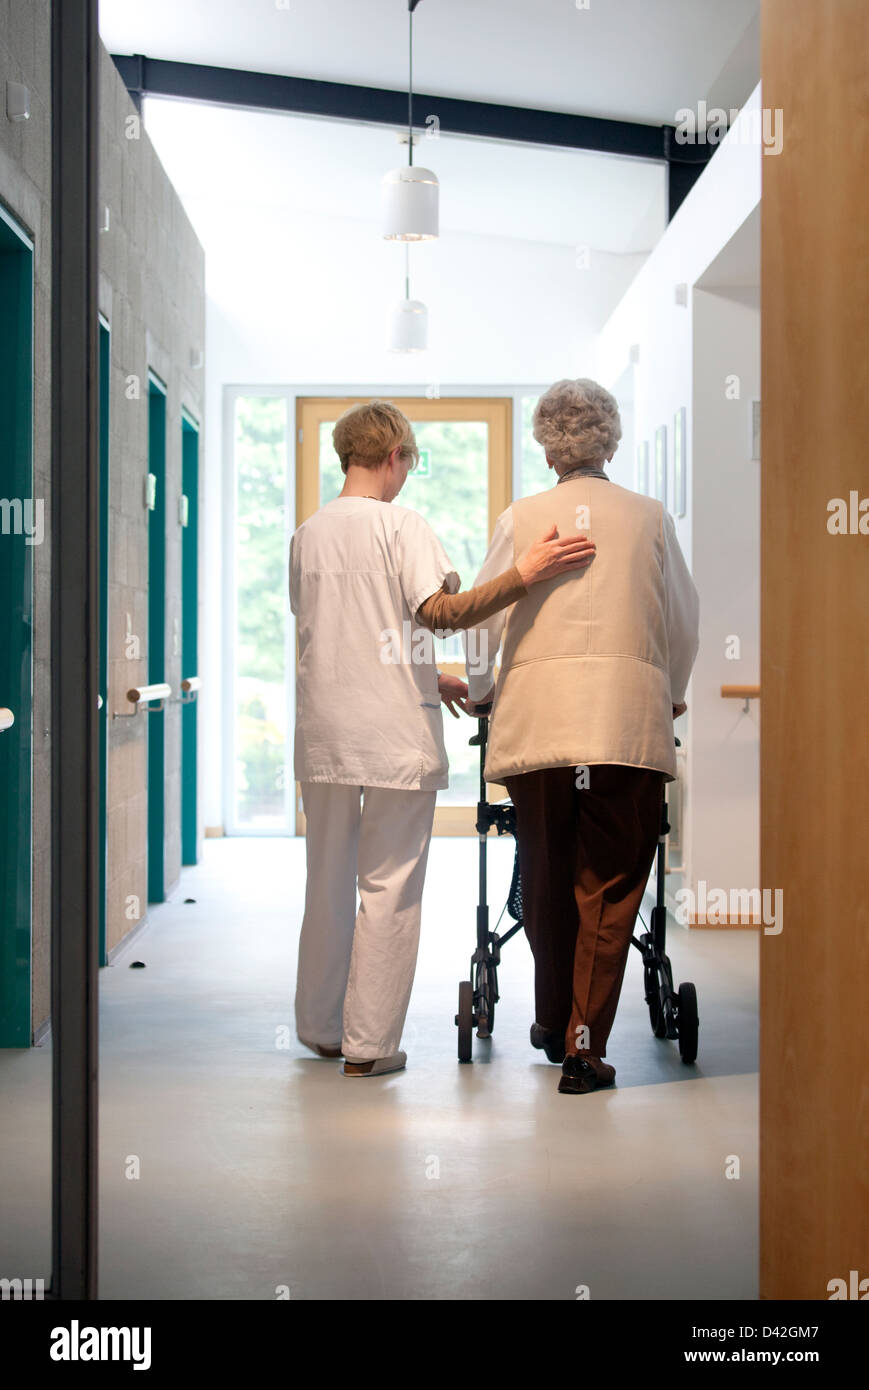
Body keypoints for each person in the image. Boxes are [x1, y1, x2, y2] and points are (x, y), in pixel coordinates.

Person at [289, 399, 596, 1078]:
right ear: (395, 456)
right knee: (388, 887)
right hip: (391, 737)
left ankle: (318, 1028)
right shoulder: (401, 525)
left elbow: (341, 635)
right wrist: (524, 574)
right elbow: (442, 614)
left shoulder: (307, 533)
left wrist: (432, 680)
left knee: (327, 882)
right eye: (409, 462)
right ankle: (369, 1045)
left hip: (324, 735)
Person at [464, 378, 699, 1095]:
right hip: (624, 726)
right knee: (610, 881)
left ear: (545, 445)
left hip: (541, 726)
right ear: (612, 439)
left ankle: (547, 1019)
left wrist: (480, 693)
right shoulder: (649, 517)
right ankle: (582, 1048)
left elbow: (484, 617)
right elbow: (682, 621)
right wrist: (673, 692)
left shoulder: (523, 514)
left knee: (544, 873)